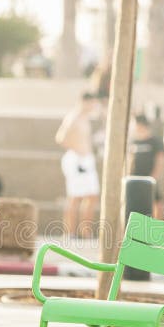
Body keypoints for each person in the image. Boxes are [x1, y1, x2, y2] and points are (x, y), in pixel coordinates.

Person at [56, 92, 101, 238]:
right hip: (77, 160)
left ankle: (85, 231)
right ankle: (69, 232)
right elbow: (61, 138)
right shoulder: (73, 117)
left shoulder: (85, 118)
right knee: (75, 196)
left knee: (92, 195)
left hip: (86, 160)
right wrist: (78, 152)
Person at [127, 113, 164, 218]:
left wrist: (154, 177)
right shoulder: (133, 141)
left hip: (150, 178)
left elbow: (160, 160)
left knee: (157, 203)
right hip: (135, 178)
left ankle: (157, 229)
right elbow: (129, 160)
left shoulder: (155, 141)